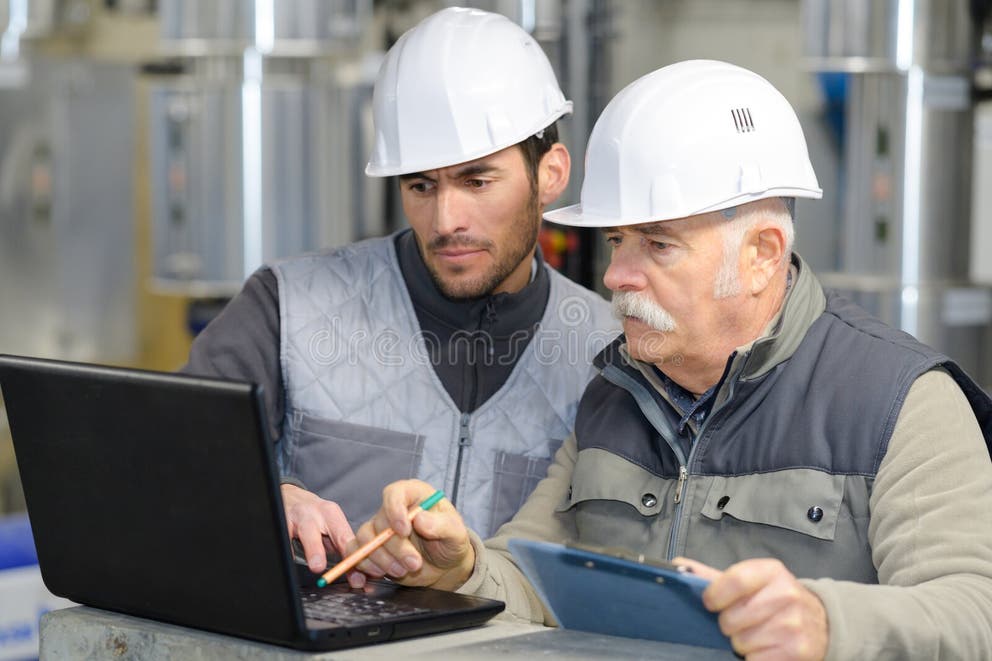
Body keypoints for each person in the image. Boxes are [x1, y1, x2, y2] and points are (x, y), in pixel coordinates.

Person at [348, 60, 992, 660]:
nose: (615, 276)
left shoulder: (897, 400)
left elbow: (975, 611)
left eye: (658, 245)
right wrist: (460, 567)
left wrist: (828, 622)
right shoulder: (617, 393)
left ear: (762, 253)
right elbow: (531, 579)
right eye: (617, 240)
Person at [181, 7, 617, 582]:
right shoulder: (289, 306)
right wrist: (258, 494)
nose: (445, 219)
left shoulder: (613, 355)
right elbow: (160, 460)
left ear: (551, 175)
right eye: (421, 185)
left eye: (477, 180)